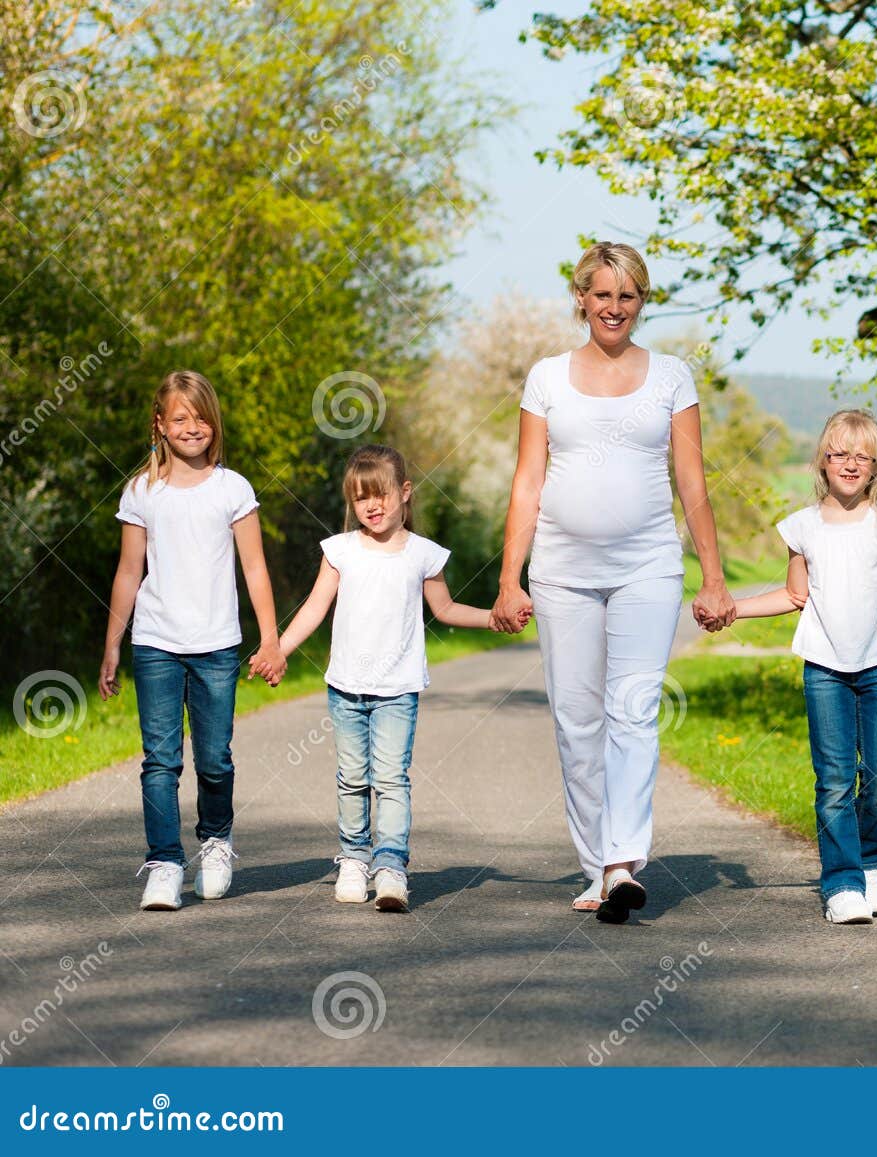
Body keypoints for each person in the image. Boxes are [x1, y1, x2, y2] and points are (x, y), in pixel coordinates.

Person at [491, 241, 735, 923]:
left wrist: (713, 576)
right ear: (581, 299)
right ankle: (600, 861)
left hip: (648, 566)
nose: (614, 307)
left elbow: (692, 480)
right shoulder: (546, 377)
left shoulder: (671, 377)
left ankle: (623, 860)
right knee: (577, 719)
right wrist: (510, 579)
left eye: (627, 296)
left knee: (632, 710)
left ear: (642, 302)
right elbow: (527, 480)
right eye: (603, 295)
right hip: (563, 572)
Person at [259, 444, 509, 913]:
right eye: (360, 498)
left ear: (405, 493)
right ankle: (354, 858)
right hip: (346, 687)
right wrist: (278, 648)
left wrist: (492, 618)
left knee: (392, 778)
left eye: (380, 494)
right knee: (352, 778)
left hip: (398, 690)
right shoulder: (340, 550)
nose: (371, 506)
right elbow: (315, 606)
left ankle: (391, 865)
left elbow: (446, 609)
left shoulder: (422, 554)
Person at [99, 370, 284, 912]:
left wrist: (270, 639)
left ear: (214, 422)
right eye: (180, 418)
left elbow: (255, 568)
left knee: (214, 758)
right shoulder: (141, 491)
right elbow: (129, 572)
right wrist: (113, 643)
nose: (192, 427)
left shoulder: (233, 488)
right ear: (159, 424)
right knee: (159, 760)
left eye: (201, 417)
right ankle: (164, 863)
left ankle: (216, 841)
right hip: (155, 642)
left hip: (217, 645)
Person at [732, 409, 877, 925]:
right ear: (822, 461)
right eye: (840, 453)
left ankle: (871, 861)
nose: (850, 464)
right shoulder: (803, 527)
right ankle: (841, 884)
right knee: (834, 778)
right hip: (824, 669)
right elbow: (794, 594)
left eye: (862, 456)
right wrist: (732, 607)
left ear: (876, 466)